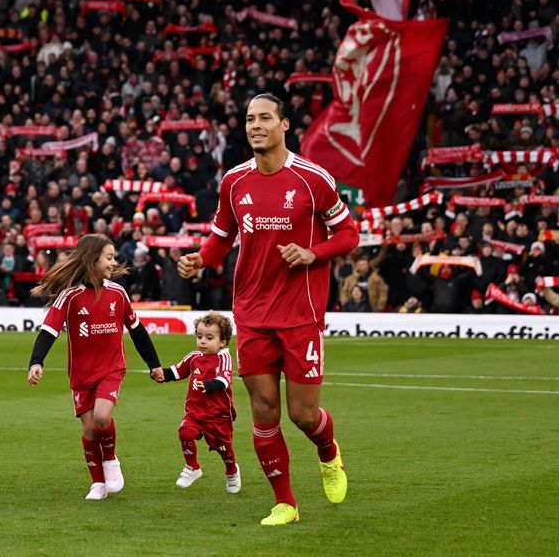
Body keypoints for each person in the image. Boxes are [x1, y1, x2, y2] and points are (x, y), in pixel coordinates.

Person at [177, 94, 360, 525]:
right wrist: (201, 258)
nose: (255, 125)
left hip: (301, 314)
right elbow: (221, 236)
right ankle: (286, 503)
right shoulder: (234, 181)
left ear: (284, 125)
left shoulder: (314, 179)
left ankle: (329, 454)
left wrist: (314, 253)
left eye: (264, 118)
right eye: (249, 119)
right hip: (253, 314)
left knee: (302, 414)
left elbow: (349, 234)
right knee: (263, 411)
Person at [26, 233, 165, 501]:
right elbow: (48, 331)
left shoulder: (118, 293)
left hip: (112, 368)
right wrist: (36, 362)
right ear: (92, 259)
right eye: (109, 257)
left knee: (102, 417)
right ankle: (98, 483)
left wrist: (154, 364)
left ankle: (111, 462)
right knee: (89, 430)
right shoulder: (69, 296)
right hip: (81, 374)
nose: (114, 263)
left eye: (114, 257)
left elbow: (137, 331)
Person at [161, 312, 240, 494]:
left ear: (222, 341)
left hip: (218, 415)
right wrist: (162, 375)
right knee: (185, 434)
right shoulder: (194, 356)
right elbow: (178, 370)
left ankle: (232, 471)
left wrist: (209, 385)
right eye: (199, 336)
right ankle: (193, 468)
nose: (202, 341)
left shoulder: (224, 357)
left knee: (224, 449)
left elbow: (225, 379)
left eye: (209, 338)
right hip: (195, 412)